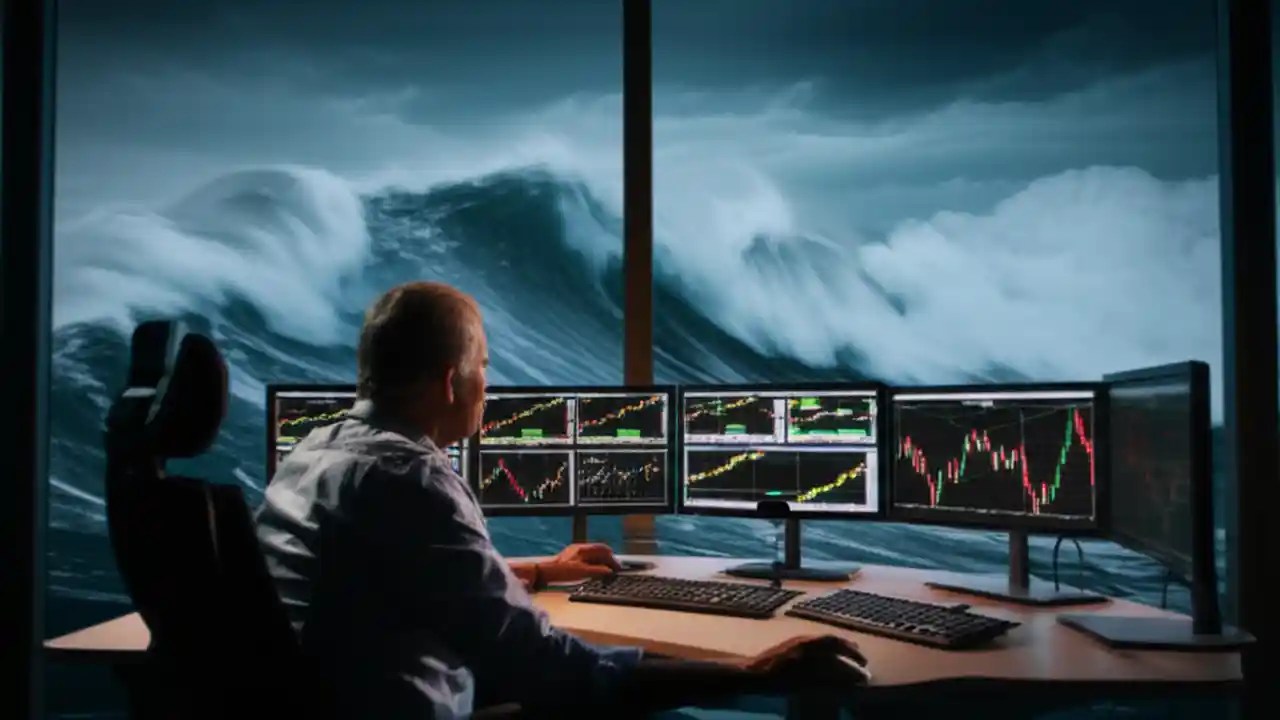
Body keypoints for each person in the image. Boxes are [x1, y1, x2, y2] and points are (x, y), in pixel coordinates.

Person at [254, 281, 868, 719]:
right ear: (451, 380)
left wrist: (545, 570)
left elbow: (399, 576)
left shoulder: (312, 454)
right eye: (485, 368)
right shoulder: (411, 479)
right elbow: (549, 668)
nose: (488, 386)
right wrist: (748, 674)